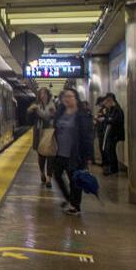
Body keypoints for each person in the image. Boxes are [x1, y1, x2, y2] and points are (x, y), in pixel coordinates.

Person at [49, 88, 95, 216]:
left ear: (76, 98)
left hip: (75, 154)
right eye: (65, 97)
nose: (67, 99)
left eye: (70, 96)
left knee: (74, 180)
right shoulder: (61, 112)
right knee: (56, 174)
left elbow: (87, 136)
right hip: (60, 152)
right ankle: (69, 198)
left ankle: (76, 207)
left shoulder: (82, 114)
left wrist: (89, 156)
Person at [28, 87, 56, 188]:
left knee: (51, 155)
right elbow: (28, 120)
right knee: (41, 155)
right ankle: (42, 173)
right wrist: (31, 111)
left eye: (44, 93)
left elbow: (51, 117)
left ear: (48, 95)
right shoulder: (35, 106)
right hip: (39, 132)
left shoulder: (53, 105)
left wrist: (54, 115)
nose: (42, 95)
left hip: (51, 132)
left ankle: (49, 178)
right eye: (41, 94)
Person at [99, 93, 125, 176]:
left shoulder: (117, 110)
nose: (106, 104)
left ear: (110, 101)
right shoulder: (112, 110)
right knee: (109, 150)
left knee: (111, 151)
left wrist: (106, 119)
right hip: (111, 134)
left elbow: (116, 121)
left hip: (114, 134)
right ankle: (112, 168)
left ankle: (114, 169)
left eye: (107, 102)